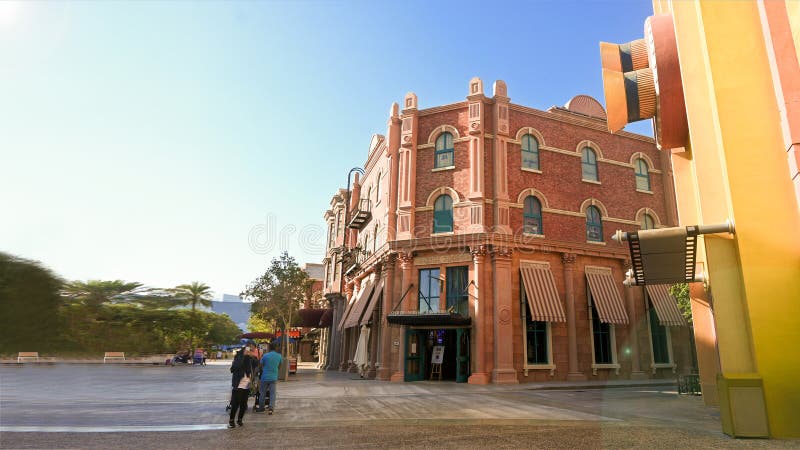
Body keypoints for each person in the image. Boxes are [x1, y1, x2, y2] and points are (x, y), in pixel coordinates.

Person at [228, 346, 257, 428]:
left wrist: (254, 355)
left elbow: (256, 363)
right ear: (242, 352)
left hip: (246, 385)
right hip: (238, 385)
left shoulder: (249, 360)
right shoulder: (237, 359)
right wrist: (244, 356)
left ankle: (240, 419)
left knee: (243, 404)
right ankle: (231, 420)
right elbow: (234, 368)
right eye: (247, 351)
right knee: (235, 404)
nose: (248, 352)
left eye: (249, 351)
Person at [256, 345, 283, 414]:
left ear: (269, 348)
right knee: (273, 393)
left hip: (264, 377)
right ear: (276, 348)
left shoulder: (265, 356)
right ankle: (271, 408)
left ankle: (261, 408)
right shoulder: (279, 356)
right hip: (273, 377)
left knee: (262, 393)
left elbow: (261, 365)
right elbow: (279, 366)